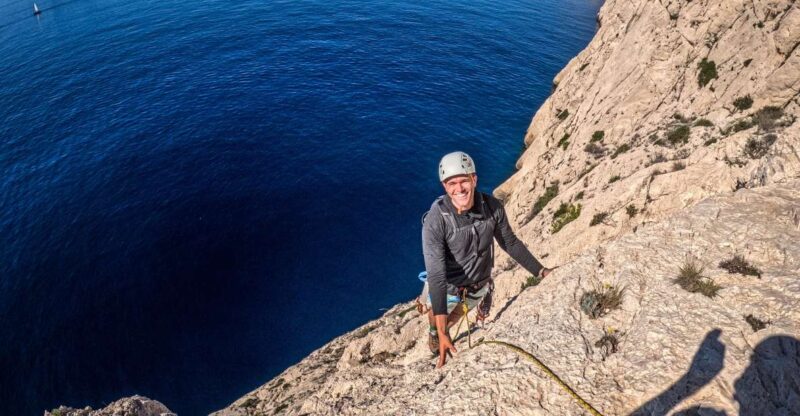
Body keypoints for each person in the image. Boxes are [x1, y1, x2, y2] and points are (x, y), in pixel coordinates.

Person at [421, 151, 553, 368]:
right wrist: (442, 332)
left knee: (454, 317)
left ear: (474, 179)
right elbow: (436, 275)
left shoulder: (492, 208)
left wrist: (541, 272)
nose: (459, 188)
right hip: (449, 287)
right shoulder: (436, 221)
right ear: (445, 187)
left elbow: (509, 243)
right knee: (437, 316)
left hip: (478, 284)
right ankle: (435, 332)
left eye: (464, 181)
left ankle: (443, 328)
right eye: (451, 183)